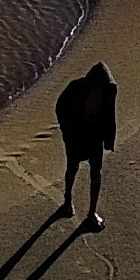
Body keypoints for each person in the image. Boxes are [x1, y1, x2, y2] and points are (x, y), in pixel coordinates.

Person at [53, 62, 118, 231]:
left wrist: (108, 139)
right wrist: (66, 131)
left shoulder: (108, 93)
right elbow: (60, 107)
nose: (99, 90)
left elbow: (110, 116)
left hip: (94, 134)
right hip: (76, 133)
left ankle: (92, 212)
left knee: (96, 172)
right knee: (72, 168)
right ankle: (67, 199)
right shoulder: (76, 88)